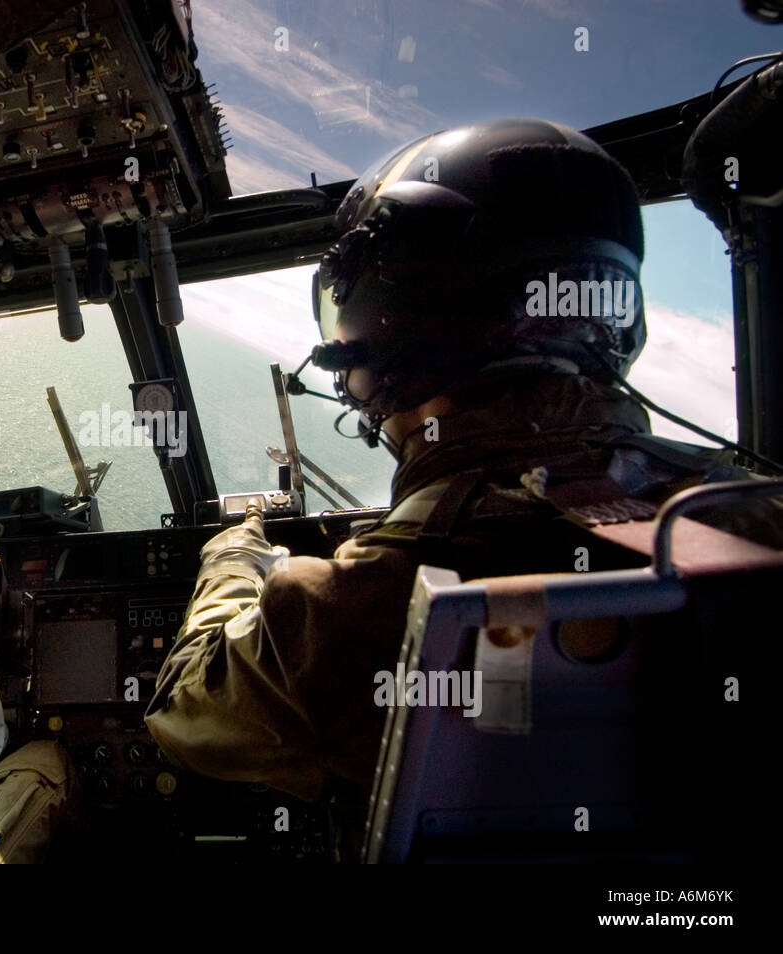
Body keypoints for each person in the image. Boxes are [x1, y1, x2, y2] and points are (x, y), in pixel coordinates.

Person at [144, 118, 782, 855]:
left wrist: (233, 560)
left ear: (383, 327)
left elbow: (182, 714)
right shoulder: (755, 517)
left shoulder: (352, 609)